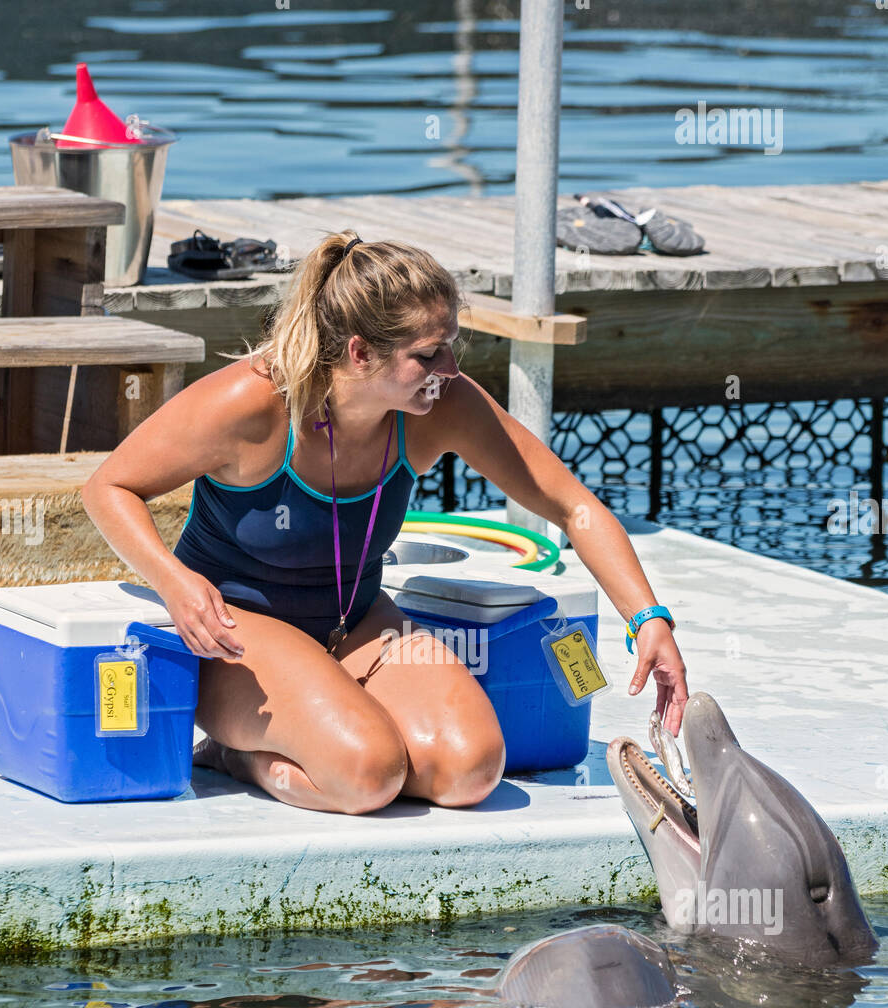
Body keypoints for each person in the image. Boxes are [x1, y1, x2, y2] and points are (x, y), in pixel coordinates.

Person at [82, 231, 688, 815]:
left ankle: (326, 727)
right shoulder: (250, 404)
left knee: (470, 769)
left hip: (358, 622)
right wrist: (172, 581)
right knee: (368, 774)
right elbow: (108, 487)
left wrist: (648, 618)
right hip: (237, 636)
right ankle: (235, 754)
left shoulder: (439, 406)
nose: (450, 367)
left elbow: (574, 506)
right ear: (359, 352)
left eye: (452, 344)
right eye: (428, 353)